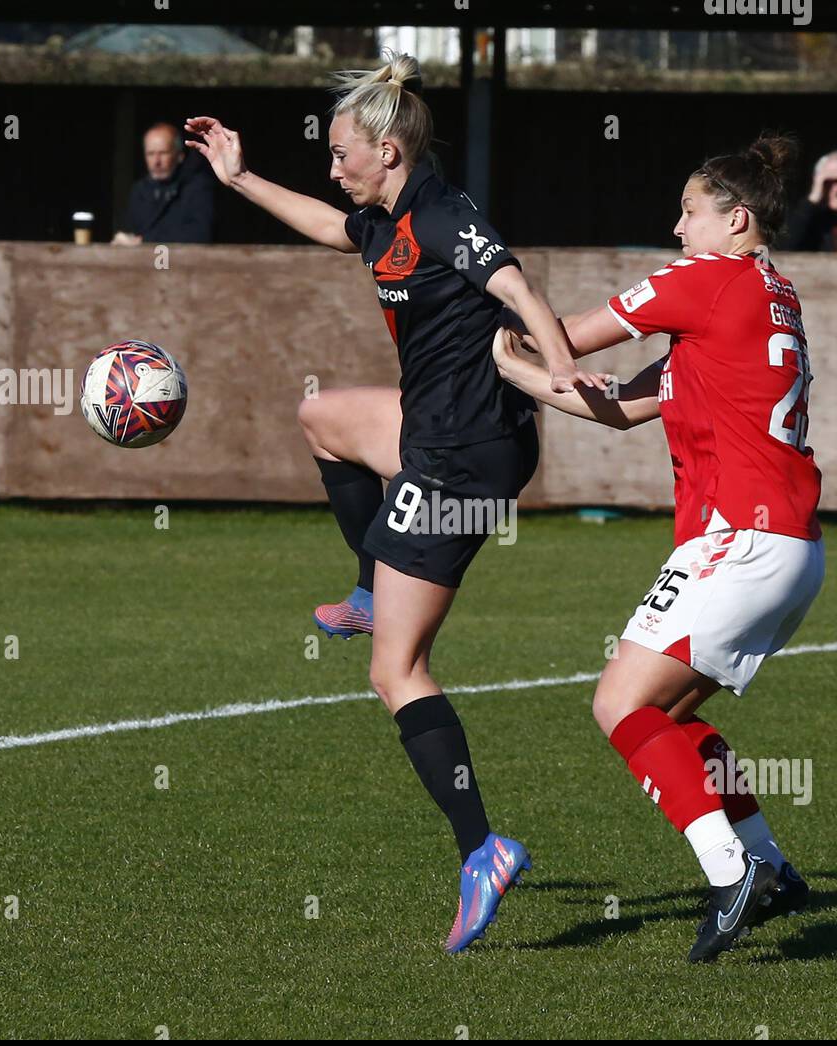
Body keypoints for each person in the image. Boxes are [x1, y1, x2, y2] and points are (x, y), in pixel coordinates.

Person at [186, 51, 608, 954]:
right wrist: (239, 176)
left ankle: (481, 849)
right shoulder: (380, 222)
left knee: (394, 671)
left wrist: (560, 363)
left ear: (387, 149)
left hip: (466, 461)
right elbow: (330, 228)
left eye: (342, 155)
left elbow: (516, 286)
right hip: (432, 430)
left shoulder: (446, 214)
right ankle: (371, 582)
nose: (332, 170)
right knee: (321, 417)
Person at [492, 135, 825, 963]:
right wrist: (516, 372)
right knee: (671, 714)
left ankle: (730, 870)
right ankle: (773, 868)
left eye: (689, 212)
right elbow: (614, 405)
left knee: (619, 705)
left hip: (740, 541)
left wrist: (480, 315)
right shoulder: (766, 295)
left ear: (735, 219)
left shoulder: (703, 280)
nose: (676, 229)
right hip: (787, 546)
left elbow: (563, 336)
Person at [113, 122, 216, 245]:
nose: (156, 161)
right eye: (150, 154)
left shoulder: (198, 187)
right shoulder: (139, 190)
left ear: (179, 155)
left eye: (163, 153)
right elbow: (129, 232)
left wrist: (143, 241)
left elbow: (200, 234)